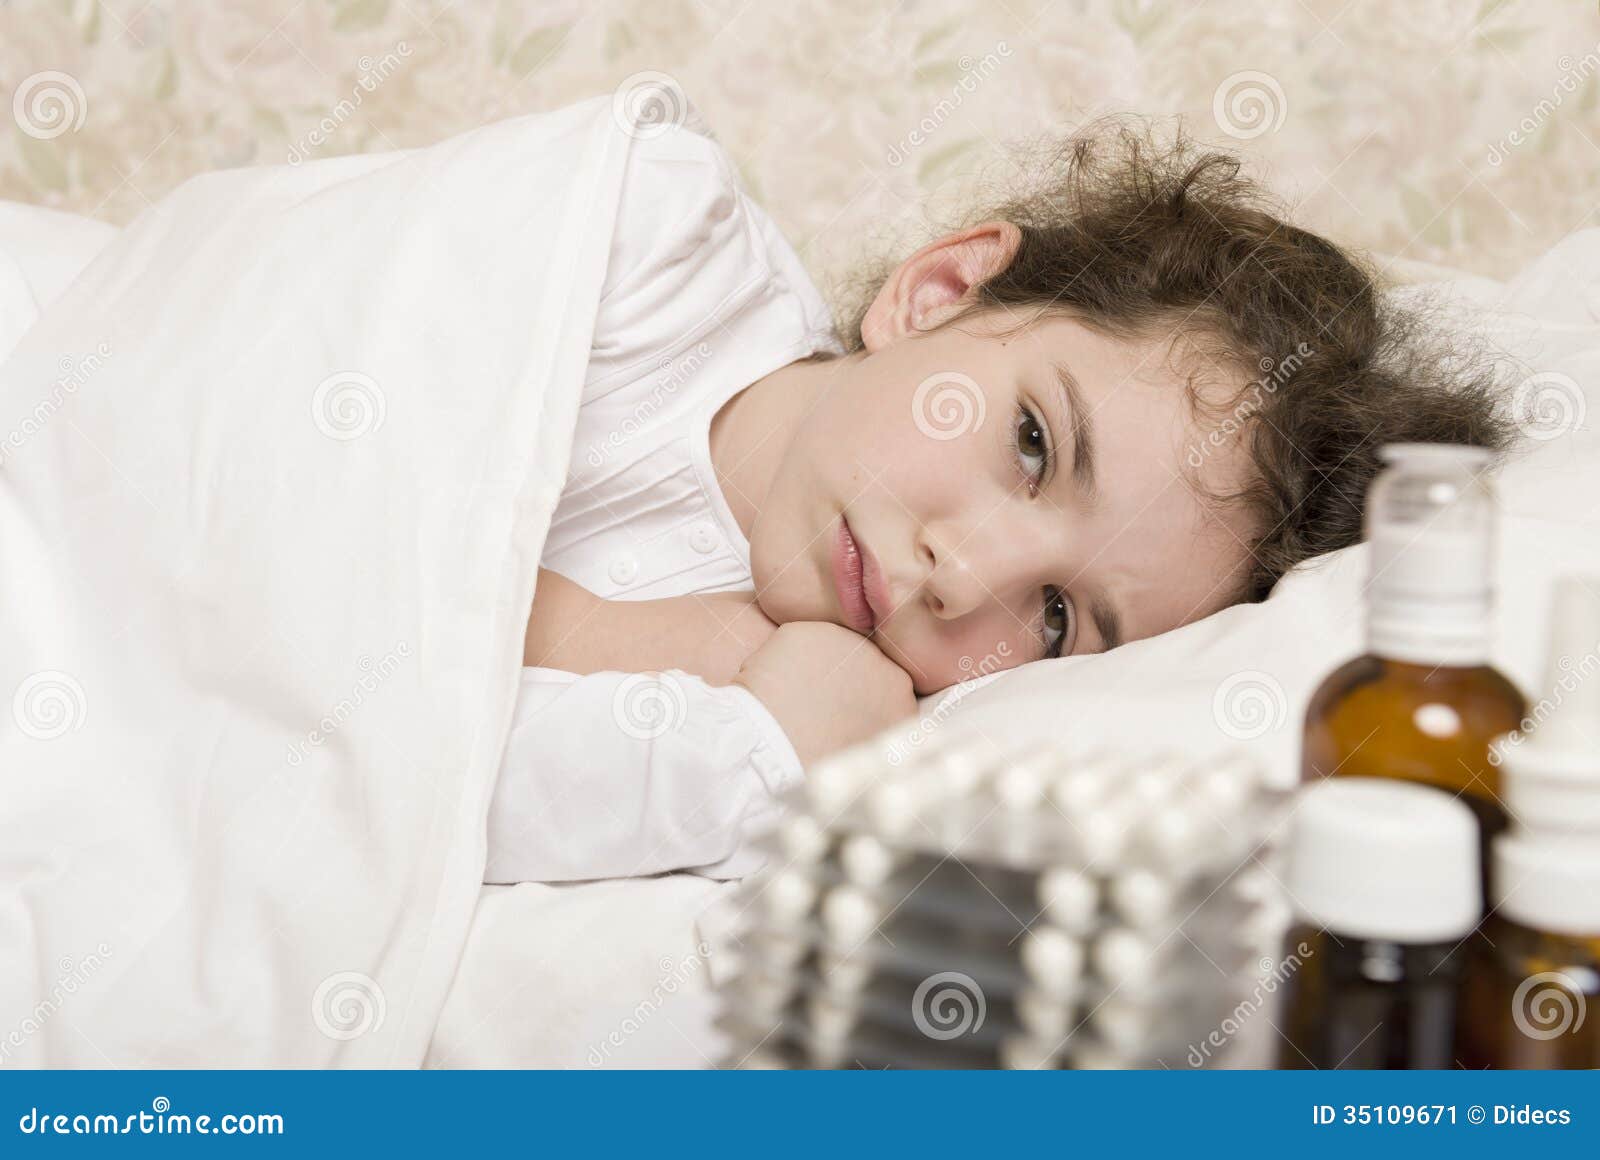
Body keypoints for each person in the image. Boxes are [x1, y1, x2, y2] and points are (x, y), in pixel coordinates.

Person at [485, 109, 1512, 884]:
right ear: (937, 292)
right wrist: (653, 639)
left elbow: (375, 809)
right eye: (1031, 443)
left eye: (1059, 617)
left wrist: (754, 741)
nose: (963, 575)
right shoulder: (644, 249)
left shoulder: (807, 728)